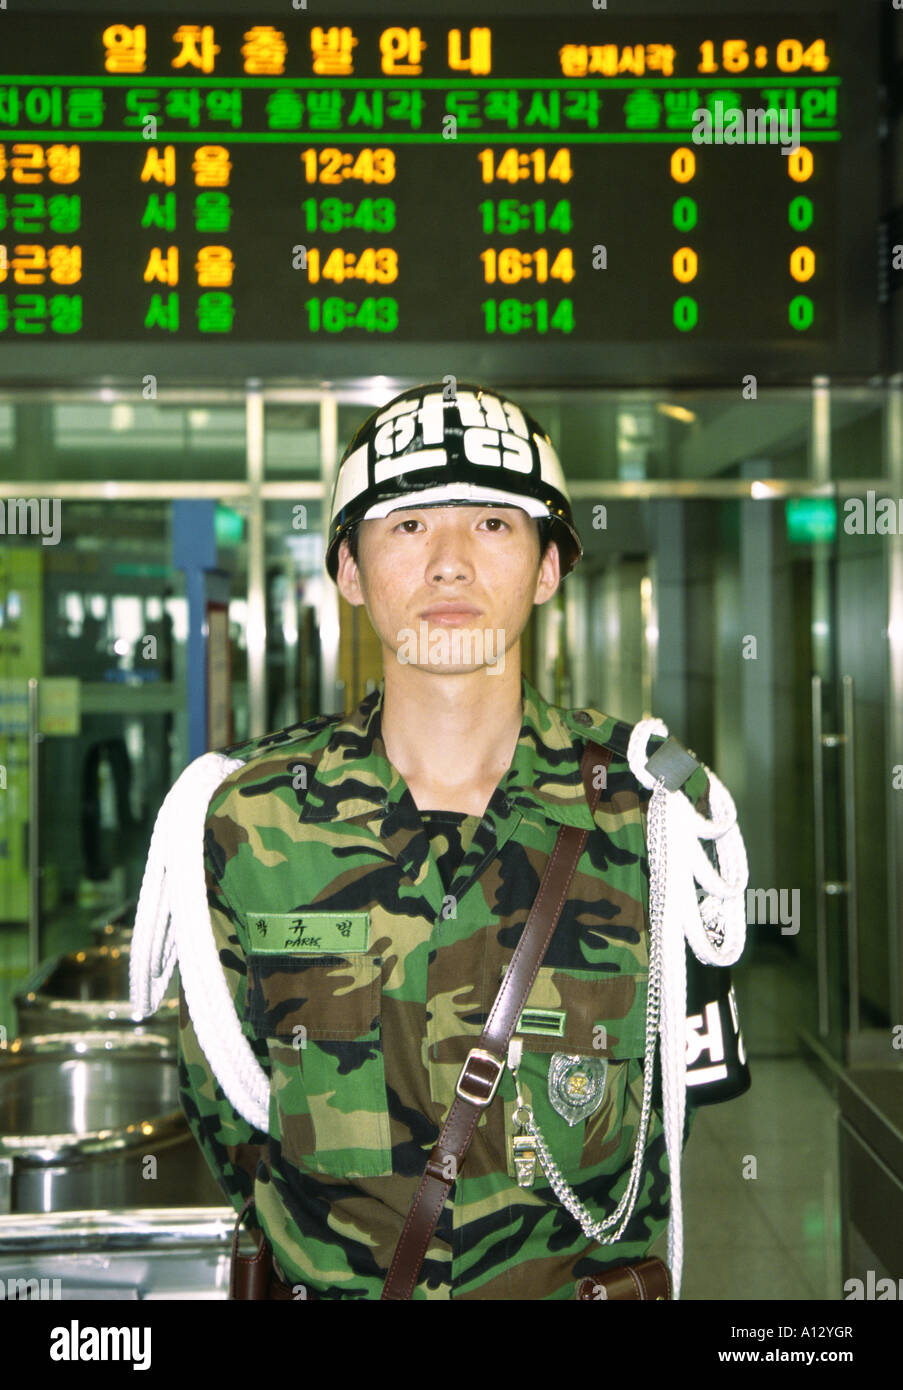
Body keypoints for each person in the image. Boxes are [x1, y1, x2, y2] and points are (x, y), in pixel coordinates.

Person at [131, 380, 748, 1301]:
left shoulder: (651, 817)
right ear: (348, 569)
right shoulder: (246, 819)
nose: (451, 564)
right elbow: (230, 1115)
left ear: (547, 568)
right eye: (409, 525)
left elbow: (669, 1123)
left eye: (494, 524)